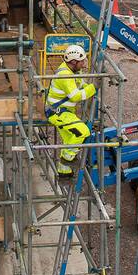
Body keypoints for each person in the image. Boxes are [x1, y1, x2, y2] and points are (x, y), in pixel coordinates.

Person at [46, 44, 96, 179]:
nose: (85, 63)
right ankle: (67, 159)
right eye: (82, 61)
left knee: (69, 140)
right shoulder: (65, 75)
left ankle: (64, 173)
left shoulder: (73, 71)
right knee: (83, 132)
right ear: (74, 62)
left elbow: (81, 85)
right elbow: (75, 96)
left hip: (64, 112)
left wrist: (88, 87)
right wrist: (93, 88)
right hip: (58, 113)